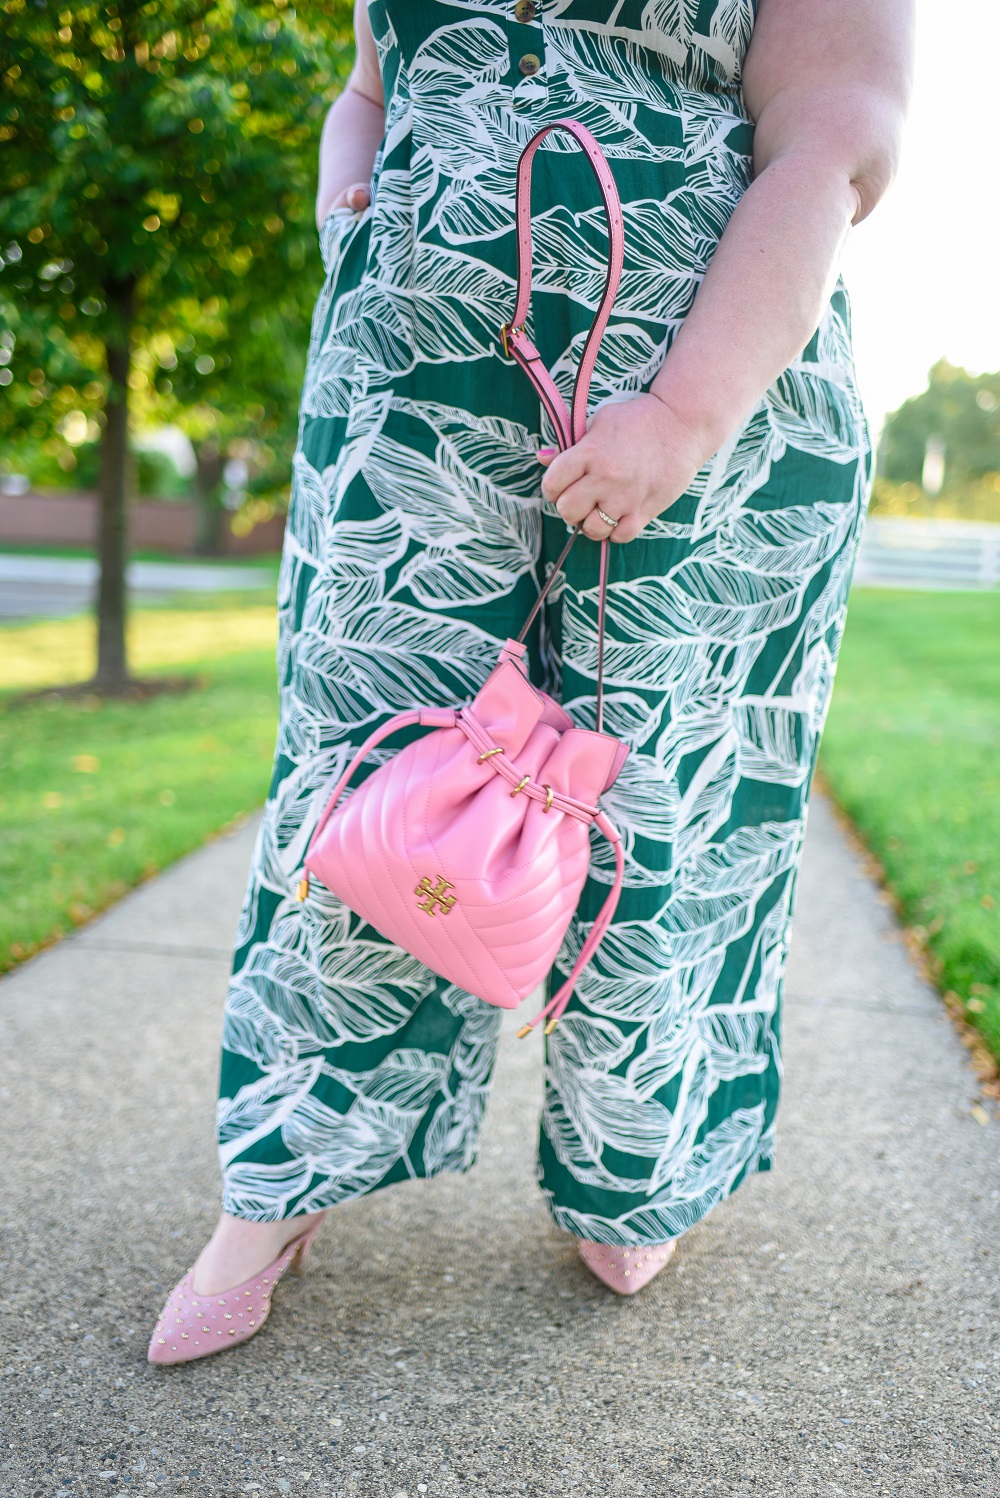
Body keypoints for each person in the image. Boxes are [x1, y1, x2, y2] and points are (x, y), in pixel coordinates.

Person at [148, 0, 913, 1362]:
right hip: (413, 362)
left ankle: (638, 1159)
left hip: (704, 351)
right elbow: (371, 79)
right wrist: (354, 202)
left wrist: (685, 413)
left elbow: (840, 131)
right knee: (361, 759)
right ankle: (285, 1170)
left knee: (665, 779)